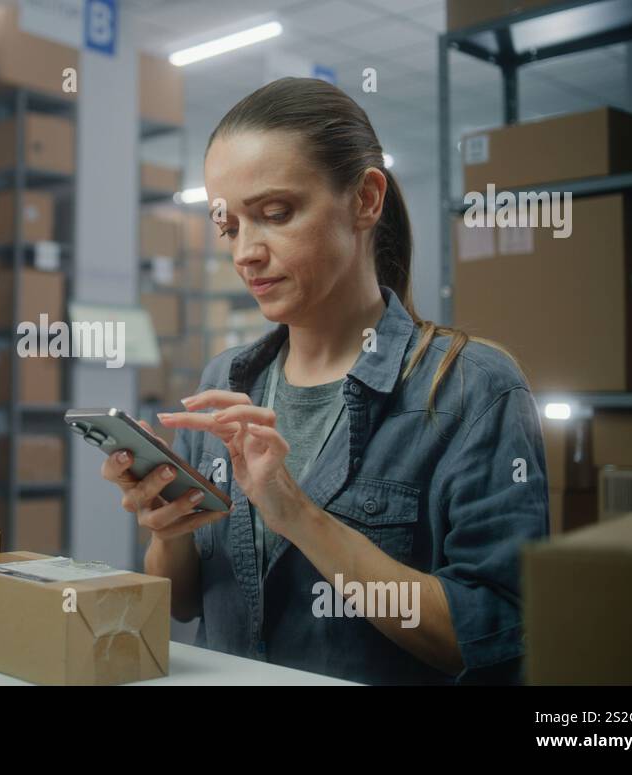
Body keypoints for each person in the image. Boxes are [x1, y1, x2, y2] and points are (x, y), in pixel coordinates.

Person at [103, 78, 548, 685]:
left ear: (365, 199)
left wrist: (296, 513)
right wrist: (166, 529)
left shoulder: (471, 389)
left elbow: (483, 633)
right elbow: (183, 603)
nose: (245, 253)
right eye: (229, 225)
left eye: (276, 214)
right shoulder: (228, 382)